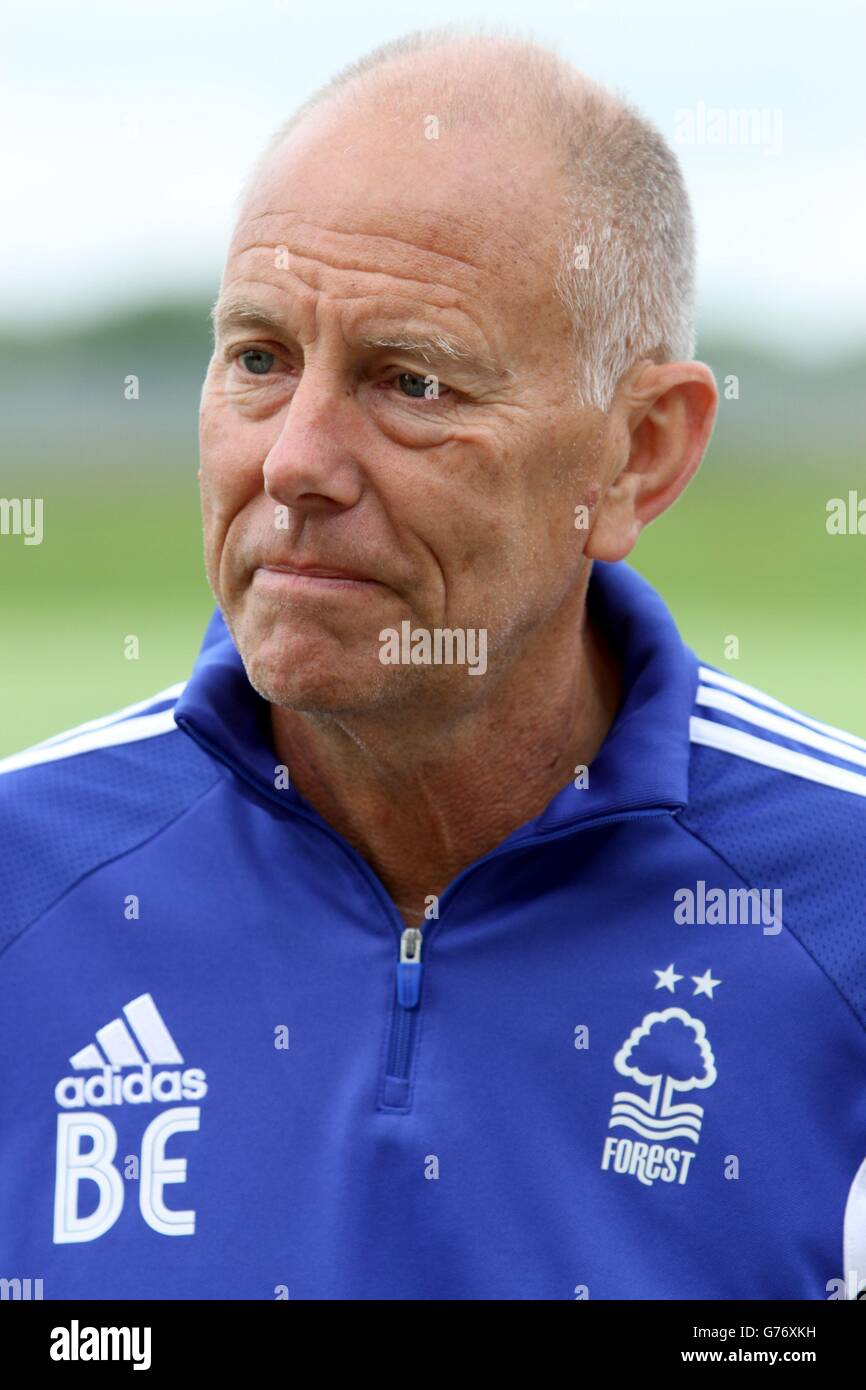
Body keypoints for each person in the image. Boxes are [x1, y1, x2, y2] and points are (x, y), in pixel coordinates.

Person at [2, 26, 864, 1302]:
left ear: (636, 455)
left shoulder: (834, 902)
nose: (294, 462)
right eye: (258, 359)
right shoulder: (26, 873)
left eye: (409, 382)